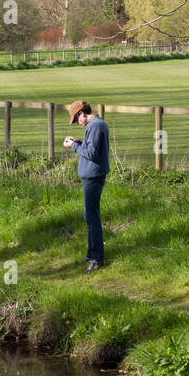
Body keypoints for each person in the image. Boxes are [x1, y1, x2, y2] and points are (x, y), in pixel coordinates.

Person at [63, 99, 109, 273]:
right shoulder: (96, 125)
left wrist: (73, 145)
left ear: (81, 113)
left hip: (93, 176)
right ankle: (91, 254)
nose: (76, 123)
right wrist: (79, 142)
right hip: (92, 175)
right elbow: (91, 147)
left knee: (92, 217)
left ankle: (97, 258)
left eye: (76, 120)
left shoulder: (95, 126)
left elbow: (91, 154)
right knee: (89, 215)